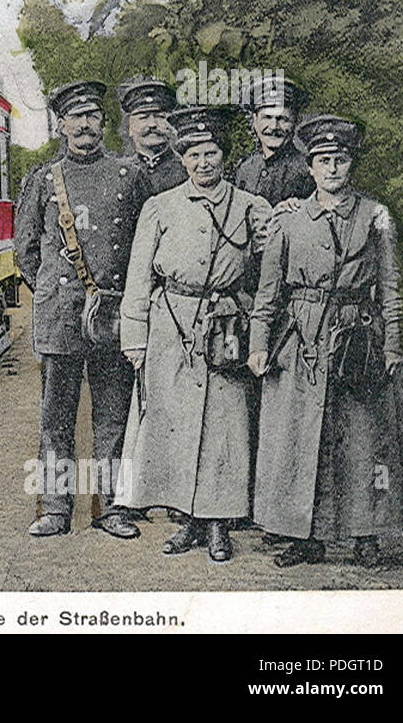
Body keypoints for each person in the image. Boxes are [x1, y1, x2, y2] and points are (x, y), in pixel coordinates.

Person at [248, 115, 403, 568]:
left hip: (356, 337)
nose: (332, 169)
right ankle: (304, 536)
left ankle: (366, 534)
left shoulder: (375, 216)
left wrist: (391, 345)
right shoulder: (287, 221)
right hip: (301, 340)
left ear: (351, 164)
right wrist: (258, 344)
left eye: (340, 160)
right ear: (309, 167)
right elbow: (269, 293)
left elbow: (390, 285)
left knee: (362, 440)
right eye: (323, 161)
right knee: (298, 439)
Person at [117, 106, 272, 562]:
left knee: (225, 425)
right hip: (171, 324)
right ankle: (186, 520)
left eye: (212, 153)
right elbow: (139, 276)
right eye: (194, 155)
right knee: (176, 423)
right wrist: (135, 336)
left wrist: (254, 317)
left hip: (225, 324)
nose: (204, 163)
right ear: (182, 158)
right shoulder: (159, 208)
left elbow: (271, 269)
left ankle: (219, 524)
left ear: (225, 155)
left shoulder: (250, 207)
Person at [15, 80, 149, 539]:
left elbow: (141, 244)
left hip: (111, 314)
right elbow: (26, 251)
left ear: (103, 123)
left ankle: (112, 507)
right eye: (76, 116)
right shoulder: (42, 180)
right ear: (61, 124)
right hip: (61, 316)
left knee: (114, 414)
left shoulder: (129, 176)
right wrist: (56, 291)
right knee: (56, 418)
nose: (85, 124)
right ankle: (54, 508)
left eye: (93, 115)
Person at [232, 74, 315, 207]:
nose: (273, 127)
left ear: (296, 122)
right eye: (267, 117)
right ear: (255, 121)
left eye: (282, 119)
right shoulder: (246, 169)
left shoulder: (308, 169)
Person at [118, 77, 186, 196]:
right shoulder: (120, 172)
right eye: (143, 118)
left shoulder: (186, 168)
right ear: (130, 127)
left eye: (160, 116)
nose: (152, 124)